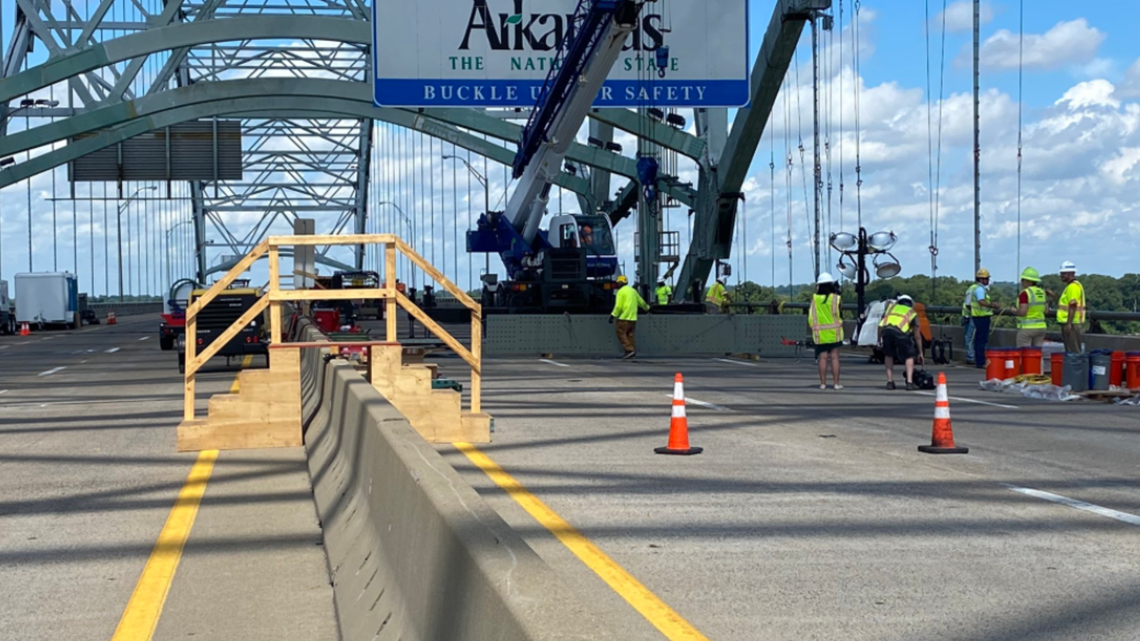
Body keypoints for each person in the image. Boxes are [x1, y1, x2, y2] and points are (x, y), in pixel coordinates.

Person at [878, 294, 923, 390]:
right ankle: (909, 382)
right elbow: (917, 336)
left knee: (888, 355)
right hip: (901, 333)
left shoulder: (890, 308)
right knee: (909, 356)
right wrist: (920, 353)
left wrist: (879, 340)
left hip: (886, 331)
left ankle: (890, 382)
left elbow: (880, 325)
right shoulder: (912, 312)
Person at [808, 273, 843, 390]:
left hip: (820, 334)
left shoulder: (814, 299)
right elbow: (840, 313)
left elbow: (810, 317)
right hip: (835, 333)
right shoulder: (836, 298)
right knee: (835, 357)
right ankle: (836, 383)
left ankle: (823, 383)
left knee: (822, 358)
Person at [1048, 261, 1086, 353]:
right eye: (1061, 273)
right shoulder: (1070, 287)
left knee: (1073, 352)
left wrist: (1069, 323)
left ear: (1071, 273)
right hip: (1070, 323)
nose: (1062, 276)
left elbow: (1072, 305)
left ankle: (1076, 367)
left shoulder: (1073, 287)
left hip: (1072, 324)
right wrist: (1052, 295)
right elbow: (1064, 303)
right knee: (1071, 351)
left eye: (1064, 273)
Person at [1006, 267, 1048, 347]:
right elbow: (1046, 311)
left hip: (1027, 328)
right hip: (1041, 327)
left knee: (1024, 354)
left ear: (1029, 281)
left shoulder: (1025, 293)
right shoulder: (1042, 293)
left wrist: (1014, 311)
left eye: (1023, 280)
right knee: (1037, 354)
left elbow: (1022, 312)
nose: (1021, 282)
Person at [609, 274, 649, 359]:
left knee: (621, 333)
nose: (617, 284)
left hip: (623, 317)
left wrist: (613, 315)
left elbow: (618, 306)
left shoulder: (621, 292)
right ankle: (631, 351)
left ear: (620, 282)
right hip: (633, 318)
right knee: (630, 335)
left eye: (618, 282)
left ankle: (629, 350)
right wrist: (647, 308)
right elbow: (641, 301)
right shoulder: (633, 291)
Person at [969, 268, 998, 369]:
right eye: (986, 279)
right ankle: (981, 362)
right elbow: (981, 301)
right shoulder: (980, 289)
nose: (988, 281)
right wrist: (992, 305)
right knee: (981, 341)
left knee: (979, 340)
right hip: (982, 318)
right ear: (981, 279)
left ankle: (979, 361)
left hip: (978, 317)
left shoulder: (976, 288)